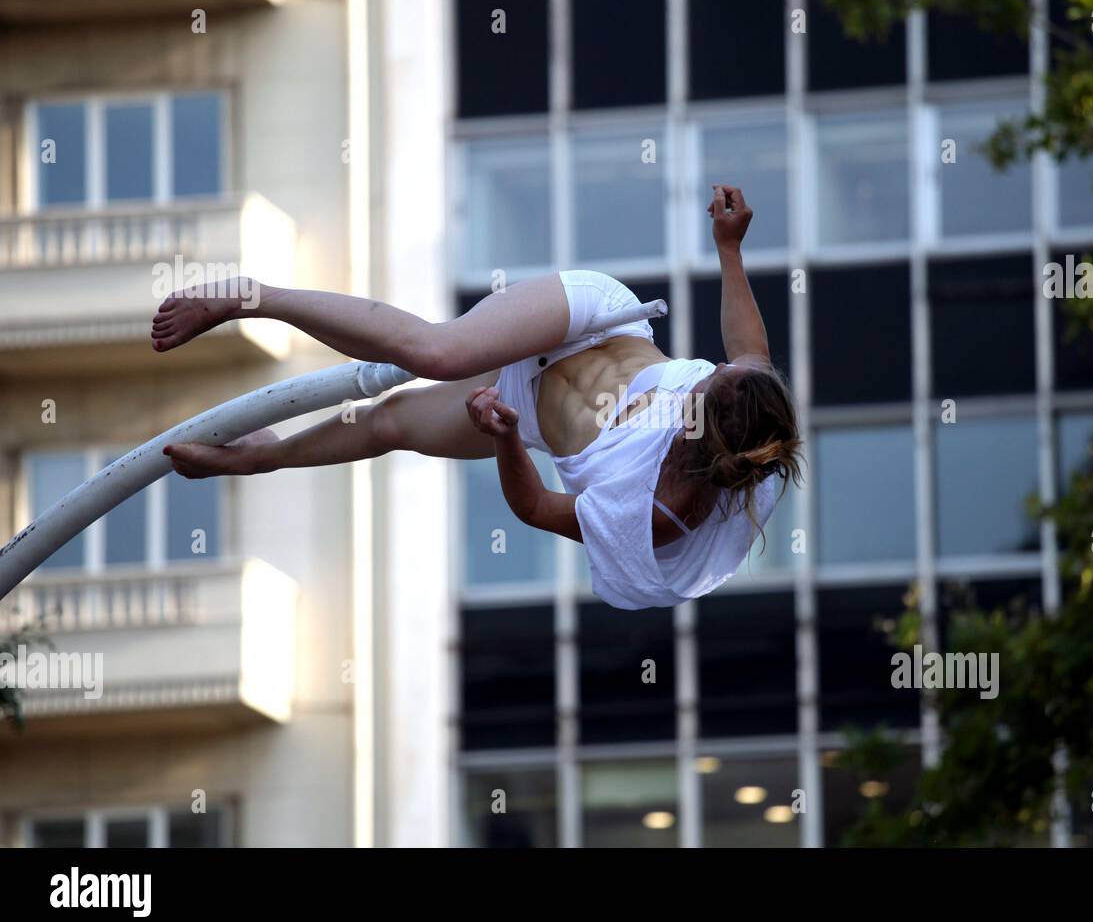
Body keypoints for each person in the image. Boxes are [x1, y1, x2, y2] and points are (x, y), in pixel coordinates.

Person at [155, 185, 803, 609]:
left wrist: (502, 438)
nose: (714, 370)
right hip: (585, 321)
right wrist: (729, 249)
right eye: (722, 372)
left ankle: (261, 456)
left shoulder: (661, 516)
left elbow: (536, 507)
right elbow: (749, 347)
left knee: (390, 425)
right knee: (435, 353)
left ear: (704, 433)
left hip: (520, 406)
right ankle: (254, 297)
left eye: (712, 382)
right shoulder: (749, 392)